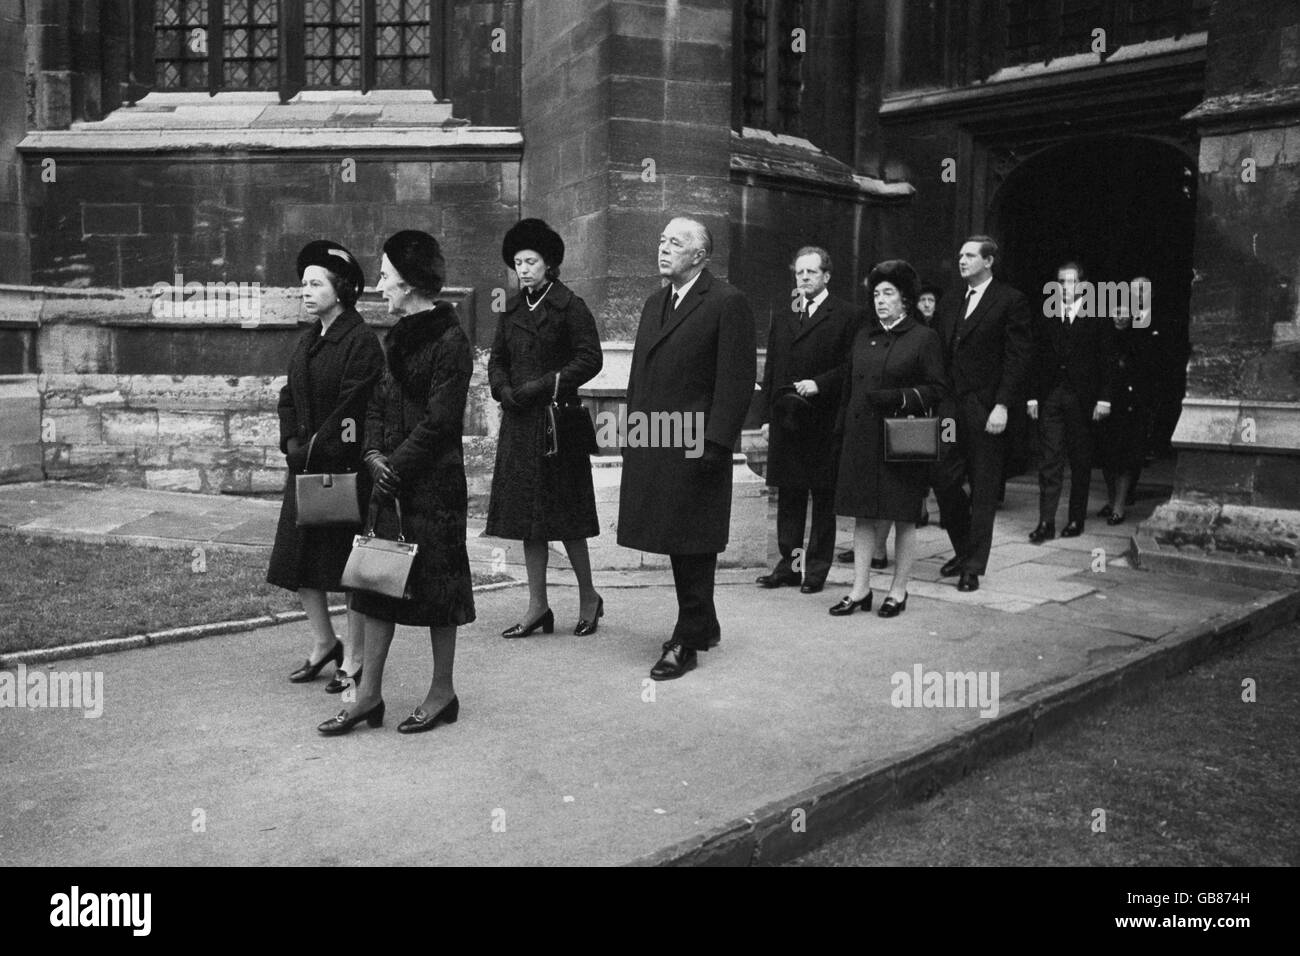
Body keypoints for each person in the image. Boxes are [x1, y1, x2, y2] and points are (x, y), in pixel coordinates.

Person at [317, 230, 476, 736]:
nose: (379, 284)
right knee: (376, 583)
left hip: (433, 487)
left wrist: (395, 467)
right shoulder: (396, 335)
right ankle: (368, 698)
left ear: (408, 284)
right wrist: (371, 455)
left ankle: (442, 692)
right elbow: (380, 405)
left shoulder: (451, 341)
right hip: (390, 481)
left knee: (439, 588)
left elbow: (440, 421)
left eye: (385, 276)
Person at [618, 216, 756, 681]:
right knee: (675, 534)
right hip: (657, 438)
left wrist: (716, 444)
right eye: (661, 240)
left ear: (700, 255)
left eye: (675, 243)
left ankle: (687, 639)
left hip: (697, 441)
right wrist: (633, 433)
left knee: (693, 540)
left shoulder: (726, 301)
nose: (663, 248)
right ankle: (705, 623)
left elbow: (735, 382)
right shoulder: (655, 302)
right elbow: (639, 374)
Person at [268, 240, 383, 692]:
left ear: (341, 289)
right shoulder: (308, 339)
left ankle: (353, 660)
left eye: (316, 283)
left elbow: (353, 408)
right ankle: (323, 643)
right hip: (304, 468)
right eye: (303, 284)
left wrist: (313, 448)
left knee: (349, 571)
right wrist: (291, 442)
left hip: (343, 475)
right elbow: (288, 396)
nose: (306, 291)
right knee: (298, 564)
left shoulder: (361, 342)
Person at [487, 219, 605, 636]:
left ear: (549, 264)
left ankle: (589, 596)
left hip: (558, 425)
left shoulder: (570, 306)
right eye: (518, 262)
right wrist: (502, 389)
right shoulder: (511, 308)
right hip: (520, 424)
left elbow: (591, 359)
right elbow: (497, 358)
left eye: (531, 261)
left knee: (567, 515)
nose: (523, 269)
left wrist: (545, 383)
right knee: (527, 518)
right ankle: (538, 606)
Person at [829, 260, 947, 618]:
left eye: (888, 293)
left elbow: (937, 389)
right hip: (862, 437)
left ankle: (898, 591)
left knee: (903, 516)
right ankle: (859, 589)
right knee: (863, 516)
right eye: (877, 293)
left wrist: (897, 398)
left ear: (905, 299)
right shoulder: (864, 335)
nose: (880, 300)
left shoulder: (923, 337)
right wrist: (840, 430)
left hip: (901, 440)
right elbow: (850, 385)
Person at [931, 235, 1033, 593]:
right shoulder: (950, 301)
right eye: (960, 255)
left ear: (989, 261)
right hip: (948, 410)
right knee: (942, 477)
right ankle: (963, 550)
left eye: (970, 255)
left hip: (986, 409)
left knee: (984, 488)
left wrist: (1002, 405)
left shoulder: (1010, 300)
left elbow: (1017, 358)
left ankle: (972, 566)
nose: (962, 260)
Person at [756, 246, 859, 595]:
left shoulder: (846, 314)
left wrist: (821, 383)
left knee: (823, 499)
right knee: (790, 497)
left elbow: (852, 367)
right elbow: (772, 367)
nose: (804, 279)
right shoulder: (786, 313)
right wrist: (768, 416)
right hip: (788, 419)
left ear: (826, 276)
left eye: (811, 273)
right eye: (799, 273)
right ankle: (791, 566)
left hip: (824, 420)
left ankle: (816, 570)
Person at [1026, 261, 1113, 541]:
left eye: (1071, 282)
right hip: (1051, 396)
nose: (1065, 288)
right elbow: (1035, 358)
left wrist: (1104, 399)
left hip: (1082, 398)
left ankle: (1076, 519)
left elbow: (1106, 361)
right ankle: (1046, 522)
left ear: (1083, 286)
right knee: (1049, 460)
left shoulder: (1096, 317)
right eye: (1061, 282)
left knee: (1080, 460)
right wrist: (1032, 397)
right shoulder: (1046, 315)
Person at [1098, 277, 1154, 524]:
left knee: (1125, 458)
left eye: (1124, 314)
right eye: (1116, 313)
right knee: (1106, 456)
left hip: (1130, 405)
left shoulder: (1140, 334)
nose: (1120, 317)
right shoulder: (1105, 338)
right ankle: (1111, 502)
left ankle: (1120, 505)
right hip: (1106, 403)